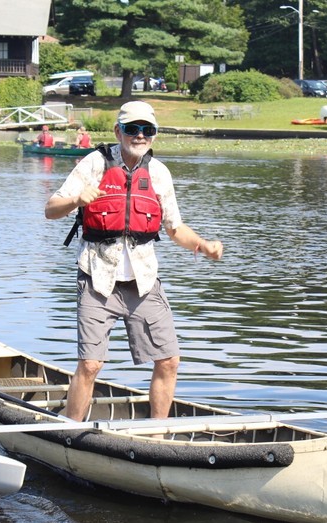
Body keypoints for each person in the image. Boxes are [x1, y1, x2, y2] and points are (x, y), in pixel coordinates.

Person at [44, 101, 224, 421]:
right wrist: (76, 199)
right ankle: (67, 434)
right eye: (132, 129)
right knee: (90, 364)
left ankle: (157, 435)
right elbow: (51, 208)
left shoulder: (158, 173)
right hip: (97, 277)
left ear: (154, 135)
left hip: (143, 281)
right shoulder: (94, 163)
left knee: (168, 360)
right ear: (118, 131)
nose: (139, 136)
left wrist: (203, 246)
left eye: (147, 130)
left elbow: (175, 228)